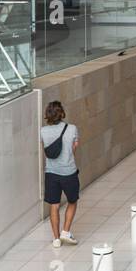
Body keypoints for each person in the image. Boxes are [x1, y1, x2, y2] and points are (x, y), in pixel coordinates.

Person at [41, 100, 80, 247]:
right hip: (69, 172)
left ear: (48, 115)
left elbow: (46, 150)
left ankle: (56, 239)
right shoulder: (72, 128)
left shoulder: (43, 131)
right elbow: (74, 147)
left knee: (54, 205)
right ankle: (65, 231)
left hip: (51, 173)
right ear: (62, 113)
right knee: (72, 201)